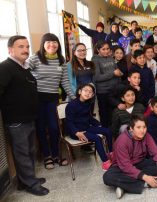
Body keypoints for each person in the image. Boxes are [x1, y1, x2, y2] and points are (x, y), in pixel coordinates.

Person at [0, 35, 49, 196]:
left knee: (29, 151)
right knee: (22, 152)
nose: (26, 50)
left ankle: (24, 181)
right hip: (16, 120)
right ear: (10, 49)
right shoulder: (5, 67)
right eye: (21, 46)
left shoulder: (24, 67)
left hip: (28, 118)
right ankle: (31, 184)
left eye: (27, 46)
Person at [28, 33, 75, 169]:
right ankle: (47, 156)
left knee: (54, 128)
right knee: (41, 128)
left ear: (58, 45)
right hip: (37, 98)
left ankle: (56, 154)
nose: (52, 45)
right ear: (43, 44)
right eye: (48, 42)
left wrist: (73, 97)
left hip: (53, 99)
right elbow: (23, 72)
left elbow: (65, 81)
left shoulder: (61, 61)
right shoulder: (35, 58)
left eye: (54, 42)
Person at [103, 115, 157, 199]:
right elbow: (125, 166)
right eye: (138, 127)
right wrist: (145, 177)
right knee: (107, 177)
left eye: (144, 127)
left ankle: (124, 185)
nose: (142, 130)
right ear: (131, 128)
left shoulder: (147, 136)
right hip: (121, 167)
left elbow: (155, 151)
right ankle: (145, 184)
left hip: (139, 163)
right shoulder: (122, 141)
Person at [66, 83, 112, 170]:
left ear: (92, 95)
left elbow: (89, 118)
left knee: (108, 131)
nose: (88, 93)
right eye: (85, 90)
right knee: (97, 138)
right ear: (80, 91)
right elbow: (69, 122)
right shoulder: (71, 105)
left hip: (86, 127)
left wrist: (99, 125)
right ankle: (105, 162)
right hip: (76, 131)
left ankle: (111, 154)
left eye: (90, 92)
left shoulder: (87, 104)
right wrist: (76, 132)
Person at [92, 41, 122, 127]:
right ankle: (106, 135)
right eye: (103, 49)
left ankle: (114, 135)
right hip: (103, 92)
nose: (106, 51)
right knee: (105, 116)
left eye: (108, 49)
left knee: (114, 114)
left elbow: (117, 71)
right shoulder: (95, 60)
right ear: (98, 50)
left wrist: (120, 73)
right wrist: (113, 73)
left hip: (114, 91)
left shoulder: (111, 58)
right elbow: (97, 77)